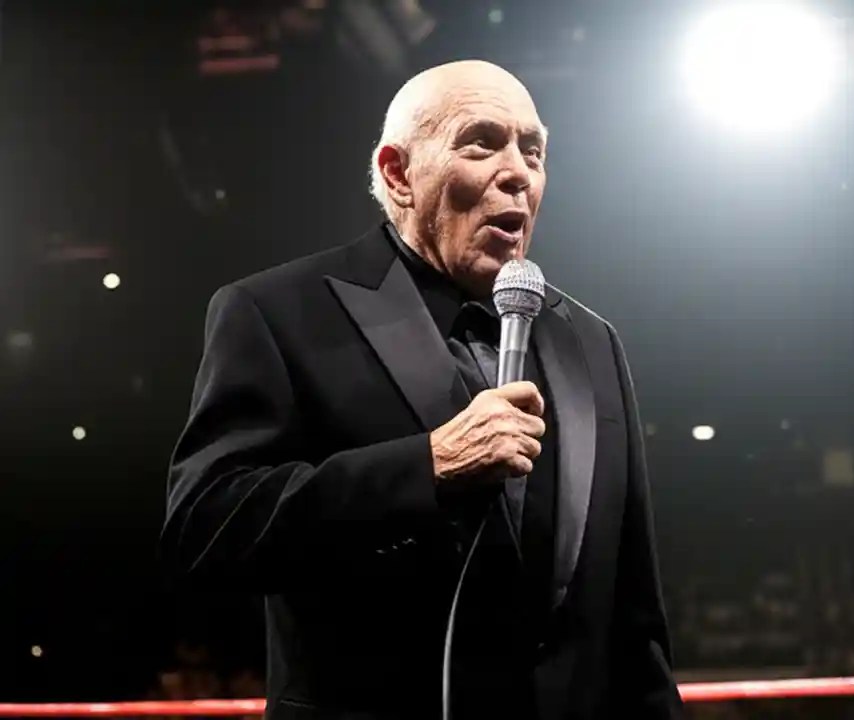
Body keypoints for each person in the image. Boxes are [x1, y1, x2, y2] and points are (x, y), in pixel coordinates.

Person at [161, 60, 682, 720]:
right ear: (398, 174)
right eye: (482, 142)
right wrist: (427, 465)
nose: (519, 172)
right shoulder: (278, 311)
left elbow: (634, 620)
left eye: (533, 151)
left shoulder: (592, 341)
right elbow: (205, 529)